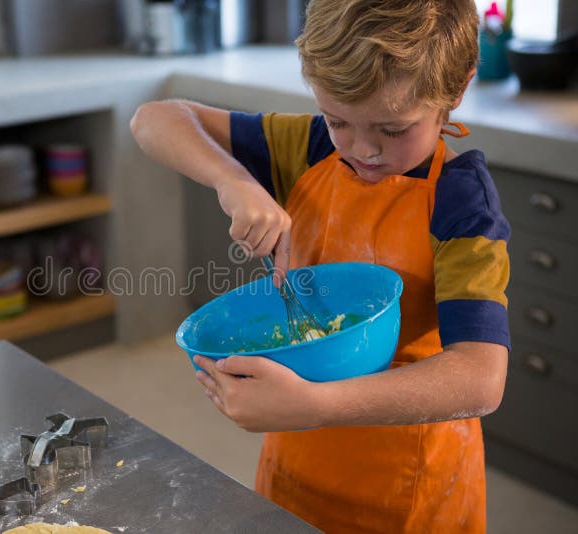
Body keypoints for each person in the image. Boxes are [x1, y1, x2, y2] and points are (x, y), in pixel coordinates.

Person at [129, 0, 510, 531]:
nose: (363, 149)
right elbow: (155, 118)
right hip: (295, 464)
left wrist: (315, 405)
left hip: (410, 488)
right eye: (338, 121)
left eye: (393, 129)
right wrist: (233, 180)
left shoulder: (462, 202)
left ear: (457, 88)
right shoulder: (307, 149)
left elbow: (480, 378)